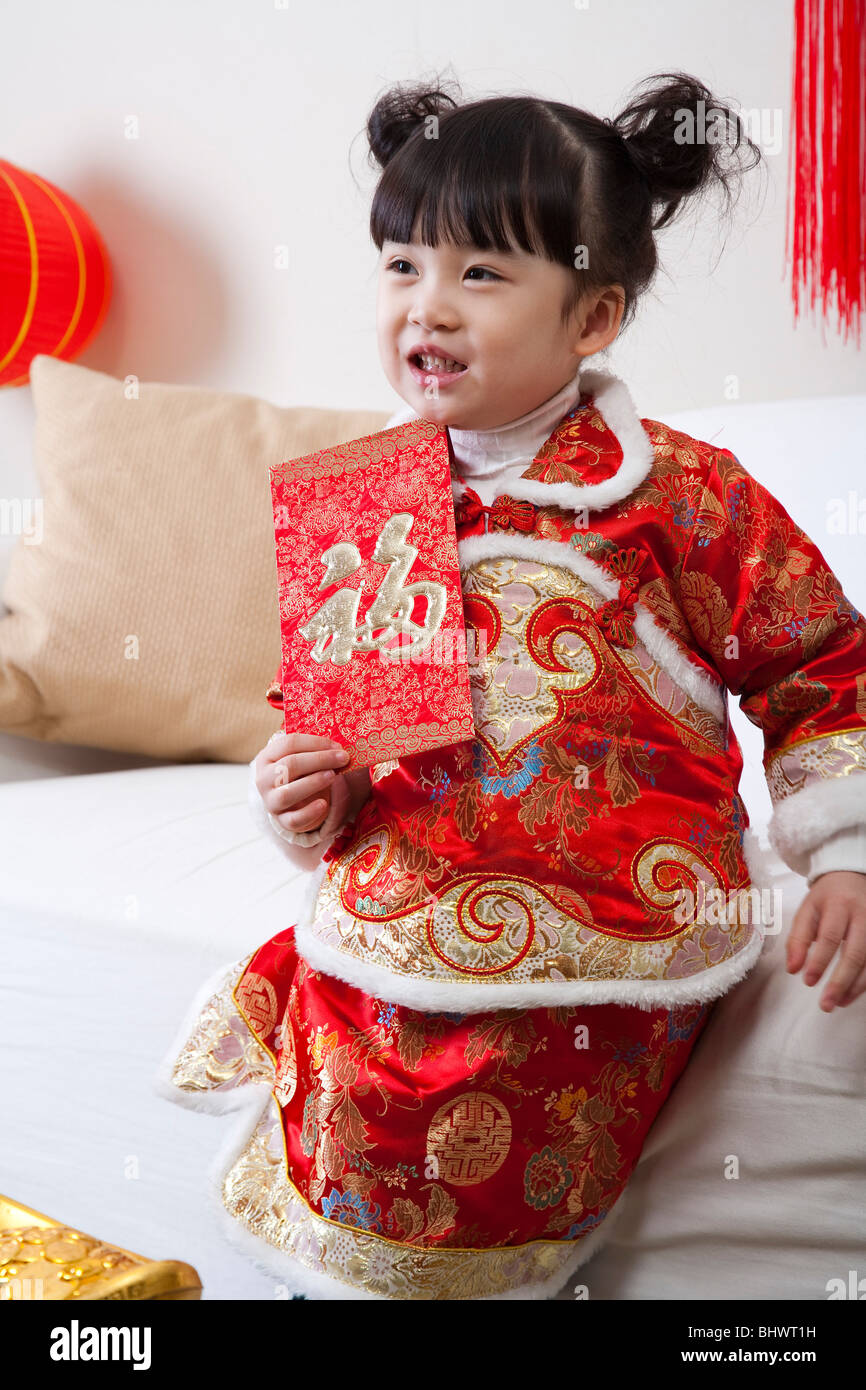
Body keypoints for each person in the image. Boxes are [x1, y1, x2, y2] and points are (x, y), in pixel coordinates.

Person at [156, 72, 866, 1300]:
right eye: (400, 266)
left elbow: (817, 661)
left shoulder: (679, 494)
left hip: (605, 926)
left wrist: (844, 850)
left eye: (480, 274)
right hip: (399, 907)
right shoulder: (360, 500)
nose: (427, 307)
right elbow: (341, 741)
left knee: (490, 1104)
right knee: (338, 1072)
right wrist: (301, 797)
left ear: (591, 316)